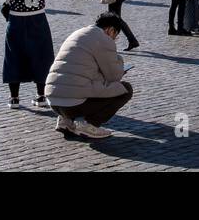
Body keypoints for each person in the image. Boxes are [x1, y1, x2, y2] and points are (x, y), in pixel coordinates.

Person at [44, 12, 135, 140]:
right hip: (73, 103)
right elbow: (115, 76)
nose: (114, 39)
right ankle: (89, 125)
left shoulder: (78, 33)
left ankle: (66, 121)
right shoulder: (103, 39)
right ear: (110, 30)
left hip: (53, 100)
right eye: (115, 36)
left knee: (80, 81)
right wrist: (118, 59)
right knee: (125, 89)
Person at [1, 0, 59, 109]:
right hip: (37, 18)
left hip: (16, 19)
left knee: (14, 57)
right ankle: (41, 95)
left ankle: (14, 98)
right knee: (41, 56)